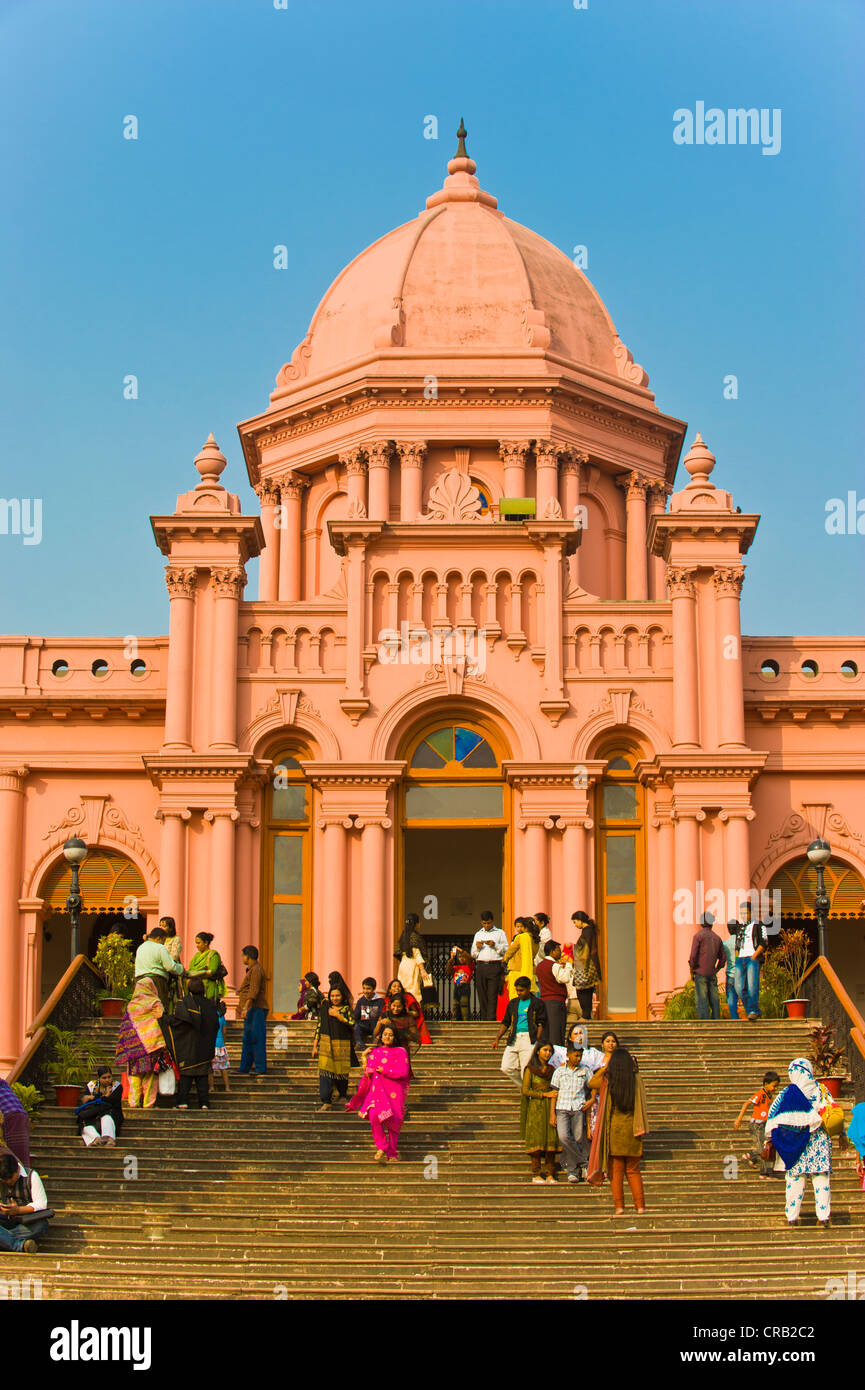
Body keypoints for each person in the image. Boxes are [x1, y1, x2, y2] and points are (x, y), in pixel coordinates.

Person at [765, 1058, 833, 1227]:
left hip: (794, 1143)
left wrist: (772, 1139)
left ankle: (792, 1217)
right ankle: (823, 1216)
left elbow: (773, 1115)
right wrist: (842, 1134)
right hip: (819, 1141)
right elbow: (833, 1110)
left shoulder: (787, 1093)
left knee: (795, 1181)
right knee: (821, 1179)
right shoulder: (821, 1089)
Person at [587, 1046, 648, 1215]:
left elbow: (591, 1083)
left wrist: (605, 1068)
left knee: (616, 1172)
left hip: (614, 1131)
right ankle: (640, 1206)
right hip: (633, 1131)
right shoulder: (636, 1079)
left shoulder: (608, 1080)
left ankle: (619, 1207)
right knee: (633, 1171)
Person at [346, 1023, 412, 1163]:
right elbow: (368, 1073)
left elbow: (404, 1072)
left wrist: (385, 1070)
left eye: (390, 1035)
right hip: (378, 1092)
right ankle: (382, 1146)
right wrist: (364, 1058)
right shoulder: (375, 1052)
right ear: (381, 1037)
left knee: (393, 1121)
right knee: (374, 1115)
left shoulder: (401, 1052)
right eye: (385, 1034)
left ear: (394, 1037)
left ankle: (392, 1154)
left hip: (394, 1091)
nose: (387, 1037)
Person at [162, 977, 220, 1110]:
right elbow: (215, 1025)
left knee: (186, 1076)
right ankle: (204, 1103)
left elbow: (178, 1022)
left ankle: (183, 1101)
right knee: (202, 1076)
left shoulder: (186, 1003)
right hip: (205, 1047)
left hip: (188, 1046)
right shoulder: (209, 1005)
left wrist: (164, 1018)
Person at [114, 975, 172, 1108]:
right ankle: (148, 1103)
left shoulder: (131, 1006)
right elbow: (161, 1020)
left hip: (134, 1047)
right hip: (152, 1046)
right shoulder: (155, 1002)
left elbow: (125, 1027)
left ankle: (133, 1102)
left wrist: (126, 1045)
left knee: (134, 1076)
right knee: (150, 1075)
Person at [492, 977, 548, 1086]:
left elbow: (541, 1023)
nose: (519, 993)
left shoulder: (537, 1003)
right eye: (517, 990)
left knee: (525, 1070)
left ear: (528, 989)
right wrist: (497, 1038)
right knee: (506, 1067)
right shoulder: (513, 1003)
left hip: (529, 1038)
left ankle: (526, 1090)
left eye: (521, 990)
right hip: (514, 1038)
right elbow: (506, 1022)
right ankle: (525, 1088)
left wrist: (537, 1040)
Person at [550, 1044, 593, 1182]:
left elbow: (593, 1086)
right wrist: (552, 1114)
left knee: (578, 1138)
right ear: (568, 1054)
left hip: (578, 1108)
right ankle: (585, 1163)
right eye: (576, 1055)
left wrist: (592, 1100)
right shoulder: (559, 1071)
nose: (578, 1058)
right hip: (562, 1108)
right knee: (563, 1137)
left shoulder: (585, 1070)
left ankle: (573, 1171)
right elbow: (554, 1093)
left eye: (580, 1056)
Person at [312, 985, 358, 1110]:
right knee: (325, 1072)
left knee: (341, 1071)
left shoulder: (346, 1009)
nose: (335, 998)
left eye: (337, 995)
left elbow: (352, 1023)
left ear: (342, 996)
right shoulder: (325, 1008)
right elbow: (319, 1026)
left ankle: (342, 1094)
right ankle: (326, 1100)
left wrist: (338, 1016)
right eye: (332, 996)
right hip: (326, 1044)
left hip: (342, 1044)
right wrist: (315, 1045)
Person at [520, 1040, 560, 1184]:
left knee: (551, 1140)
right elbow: (525, 1090)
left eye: (550, 1051)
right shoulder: (530, 1070)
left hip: (550, 1107)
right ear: (538, 1051)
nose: (547, 1053)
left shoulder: (552, 1070)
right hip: (535, 1108)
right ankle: (536, 1173)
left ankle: (550, 1173)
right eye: (545, 1050)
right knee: (536, 1140)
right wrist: (543, 1094)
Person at [0, 1152, 51, 1254]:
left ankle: (5, 1239)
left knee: (41, 1226)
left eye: (11, 1180)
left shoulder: (32, 1176)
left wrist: (18, 1210)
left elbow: (41, 1204)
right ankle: (19, 1245)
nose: (9, 1183)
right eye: (5, 1181)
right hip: (5, 1221)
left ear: (18, 1170)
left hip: (26, 1222)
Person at [734, 1070, 781, 1177]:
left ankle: (763, 1170)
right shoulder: (760, 1094)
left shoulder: (770, 1096)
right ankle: (749, 1156)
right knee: (762, 1148)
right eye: (774, 1086)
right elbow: (746, 1104)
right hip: (757, 1125)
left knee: (766, 1146)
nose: (775, 1089)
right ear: (766, 1084)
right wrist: (739, 1119)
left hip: (765, 1124)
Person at [236, 944, 269, 1076]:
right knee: (248, 1038)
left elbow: (253, 991)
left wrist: (246, 1007)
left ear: (248, 956)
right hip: (252, 1009)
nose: (242, 958)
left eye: (243, 955)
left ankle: (260, 1067)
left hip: (256, 1008)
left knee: (257, 1038)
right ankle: (245, 1067)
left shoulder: (256, 970)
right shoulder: (252, 970)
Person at [133, 927, 184, 1011]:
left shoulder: (141, 947)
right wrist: (181, 969)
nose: (163, 943)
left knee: (143, 1010)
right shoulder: (160, 947)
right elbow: (170, 967)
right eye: (163, 941)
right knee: (158, 1009)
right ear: (159, 938)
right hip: (156, 981)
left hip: (140, 981)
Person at [470, 911, 508, 1020]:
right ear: (481, 922)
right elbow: (473, 954)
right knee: (482, 994)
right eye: (484, 923)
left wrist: (495, 945)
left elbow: (506, 951)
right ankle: (484, 1020)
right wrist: (477, 947)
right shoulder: (478, 934)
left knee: (492, 994)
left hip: (494, 966)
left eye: (489, 923)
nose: (486, 925)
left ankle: (491, 1020)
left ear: (493, 921)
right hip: (481, 966)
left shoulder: (500, 933)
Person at [688, 911, 726, 1020]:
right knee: (714, 999)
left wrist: (692, 969)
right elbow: (723, 958)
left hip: (700, 972)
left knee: (702, 999)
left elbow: (693, 956)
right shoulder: (717, 938)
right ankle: (716, 1021)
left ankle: (705, 1023)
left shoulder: (698, 936)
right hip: (712, 973)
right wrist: (716, 969)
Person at [76, 1066, 124, 1147]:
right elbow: (86, 1101)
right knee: (86, 1128)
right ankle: (96, 1139)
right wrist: (104, 1097)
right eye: (104, 1078)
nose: (107, 1080)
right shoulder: (91, 1086)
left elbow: (112, 1101)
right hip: (93, 1115)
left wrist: (95, 1098)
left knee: (106, 1117)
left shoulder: (117, 1086)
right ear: (99, 1078)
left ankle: (109, 1139)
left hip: (112, 1114)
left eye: (109, 1077)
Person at [734, 905, 767, 1021]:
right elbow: (737, 945)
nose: (743, 915)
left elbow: (764, 942)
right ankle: (753, 1010)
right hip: (741, 958)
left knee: (752, 986)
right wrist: (737, 957)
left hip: (752, 957)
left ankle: (753, 1011)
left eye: (745, 913)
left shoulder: (759, 925)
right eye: (741, 913)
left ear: (751, 913)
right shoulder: (740, 927)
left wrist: (754, 956)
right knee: (738, 987)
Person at [536, 941, 572, 1046]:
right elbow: (564, 978)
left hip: (544, 1002)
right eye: (558, 950)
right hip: (556, 1002)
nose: (560, 953)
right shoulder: (554, 965)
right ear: (552, 951)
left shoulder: (539, 966)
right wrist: (568, 965)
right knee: (557, 1032)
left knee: (547, 1031)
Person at [571, 912, 601, 1021]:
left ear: (580, 920)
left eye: (575, 922)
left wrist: (572, 949)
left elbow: (583, 949)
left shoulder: (587, 932)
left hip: (585, 967)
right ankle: (586, 1015)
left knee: (582, 992)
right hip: (589, 966)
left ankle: (585, 1015)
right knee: (587, 991)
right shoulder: (589, 931)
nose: (575, 925)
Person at [383, 978, 431, 1045]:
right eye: (394, 986)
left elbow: (416, 1013)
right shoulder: (386, 1000)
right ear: (390, 990)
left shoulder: (408, 997)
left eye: (399, 986)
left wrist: (406, 1012)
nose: (397, 988)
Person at [187, 932, 227, 1005]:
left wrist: (194, 974)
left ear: (206, 943)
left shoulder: (213, 955)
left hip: (208, 987)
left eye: (198, 943)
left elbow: (211, 971)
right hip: (195, 988)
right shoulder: (196, 955)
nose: (197, 946)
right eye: (196, 943)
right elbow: (191, 969)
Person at [502, 918, 538, 999]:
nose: (520, 929)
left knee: (515, 997)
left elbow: (510, 951)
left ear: (525, 927)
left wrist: (504, 959)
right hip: (530, 971)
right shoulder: (536, 939)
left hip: (517, 971)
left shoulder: (521, 937)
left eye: (522, 926)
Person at [395, 913, 427, 1001]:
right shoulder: (414, 935)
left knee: (403, 989)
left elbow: (398, 952)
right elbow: (416, 953)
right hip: (413, 965)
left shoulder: (403, 935)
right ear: (416, 924)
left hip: (403, 964)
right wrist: (422, 969)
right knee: (413, 990)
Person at [0, 1077, 31, 1167]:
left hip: (11, 1116)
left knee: (16, 1158)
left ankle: (21, 1173)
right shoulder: (3, 1084)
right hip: (19, 1114)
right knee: (20, 1154)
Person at [353, 977, 385, 1047]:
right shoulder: (361, 1001)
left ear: (374, 989)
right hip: (364, 1027)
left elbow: (382, 1016)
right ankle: (360, 1044)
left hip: (376, 1028)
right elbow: (355, 1016)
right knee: (356, 1026)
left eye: (368, 989)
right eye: (364, 988)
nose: (365, 991)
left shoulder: (380, 1001)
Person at [160, 916, 183, 1010]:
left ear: (171, 927)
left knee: (172, 998)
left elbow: (174, 956)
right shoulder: (159, 939)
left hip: (171, 972)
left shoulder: (176, 939)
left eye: (164, 926)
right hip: (161, 970)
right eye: (160, 926)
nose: (162, 928)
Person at [722, 921, 743, 1020]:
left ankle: (735, 1020)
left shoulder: (725, 944)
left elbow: (722, 958)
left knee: (732, 1002)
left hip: (730, 974)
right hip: (742, 974)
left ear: (728, 930)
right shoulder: (742, 943)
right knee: (745, 999)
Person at [449, 946, 475, 1021]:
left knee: (464, 1005)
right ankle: (454, 1020)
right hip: (456, 987)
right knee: (455, 1005)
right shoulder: (456, 967)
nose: (461, 959)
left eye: (462, 957)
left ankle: (466, 1021)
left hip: (464, 987)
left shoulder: (469, 966)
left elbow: (469, 959)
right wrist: (451, 959)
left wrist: (460, 950)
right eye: (459, 957)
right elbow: (448, 969)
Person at [212, 1000, 230, 1092]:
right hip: (221, 1045)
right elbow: (224, 1031)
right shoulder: (222, 1017)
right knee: (223, 1068)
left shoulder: (211, 1015)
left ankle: (211, 1087)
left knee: (211, 1068)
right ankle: (227, 1087)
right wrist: (224, 1041)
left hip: (212, 1044)